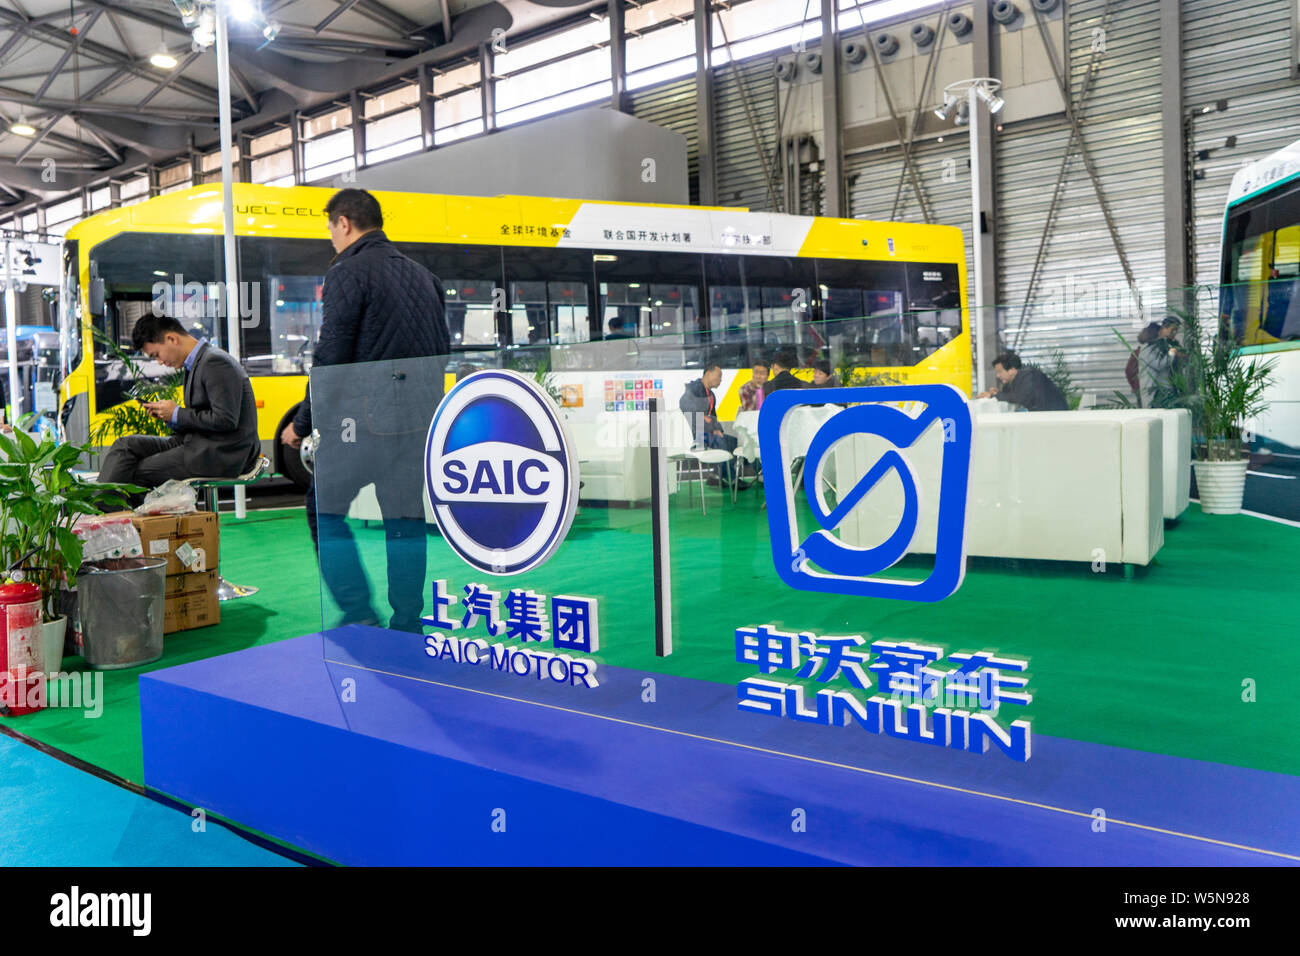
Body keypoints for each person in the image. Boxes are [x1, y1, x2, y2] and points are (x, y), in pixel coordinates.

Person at [279, 188, 450, 633]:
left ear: (344, 223)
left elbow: (332, 355)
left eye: (331, 230)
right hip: (419, 424)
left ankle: (358, 611)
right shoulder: (425, 276)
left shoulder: (347, 272)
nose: (332, 241)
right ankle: (409, 621)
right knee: (405, 523)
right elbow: (441, 351)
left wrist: (303, 422)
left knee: (324, 510)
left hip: (364, 425)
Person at [98, 314, 259, 491]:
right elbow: (204, 418)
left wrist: (176, 413)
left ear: (172, 339)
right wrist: (169, 417)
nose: (160, 362)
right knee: (125, 446)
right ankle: (103, 508)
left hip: (221, 453)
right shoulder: (197, 363)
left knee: (137, 471)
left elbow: (225, 419)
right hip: (197, 442)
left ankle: (106, 513)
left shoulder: (215, 362)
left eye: (157, 354)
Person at [680, 364, 739, 486]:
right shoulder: (694, 389)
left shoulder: (711, 395)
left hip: (705, 433)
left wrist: (717, 429)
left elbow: (713, 417)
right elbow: (686, 408)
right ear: (708, 374)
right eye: (719, 376)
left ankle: (717, 475)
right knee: (721, 442)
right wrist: (705, 420)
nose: (720, 380)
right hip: (695, 435)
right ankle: (731, 479)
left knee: (732, 441)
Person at [976, 351, 1068, 411]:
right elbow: (1011, 394)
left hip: (1055, 419)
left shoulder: (1029, 375)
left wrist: (994, 396)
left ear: (1012, 369)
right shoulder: (1018, 378)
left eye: (1000, 372)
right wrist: (998, 393)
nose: (998, 375)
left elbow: (1020, 397)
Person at [1137, 316, 1184, 409]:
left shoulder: (1167, 345)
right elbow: (1159, 365)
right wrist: (1172, 353)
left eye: (1176, 330)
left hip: (1167, 391)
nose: (1174, 333)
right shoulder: (1148, 348)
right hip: (1155, 392)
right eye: (1172, 330)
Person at [1126, 322, 1161, 402]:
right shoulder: (1141, 352)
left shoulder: (1140, 351)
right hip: (1145, 389)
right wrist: (1136, 386)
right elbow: (1129, 371)